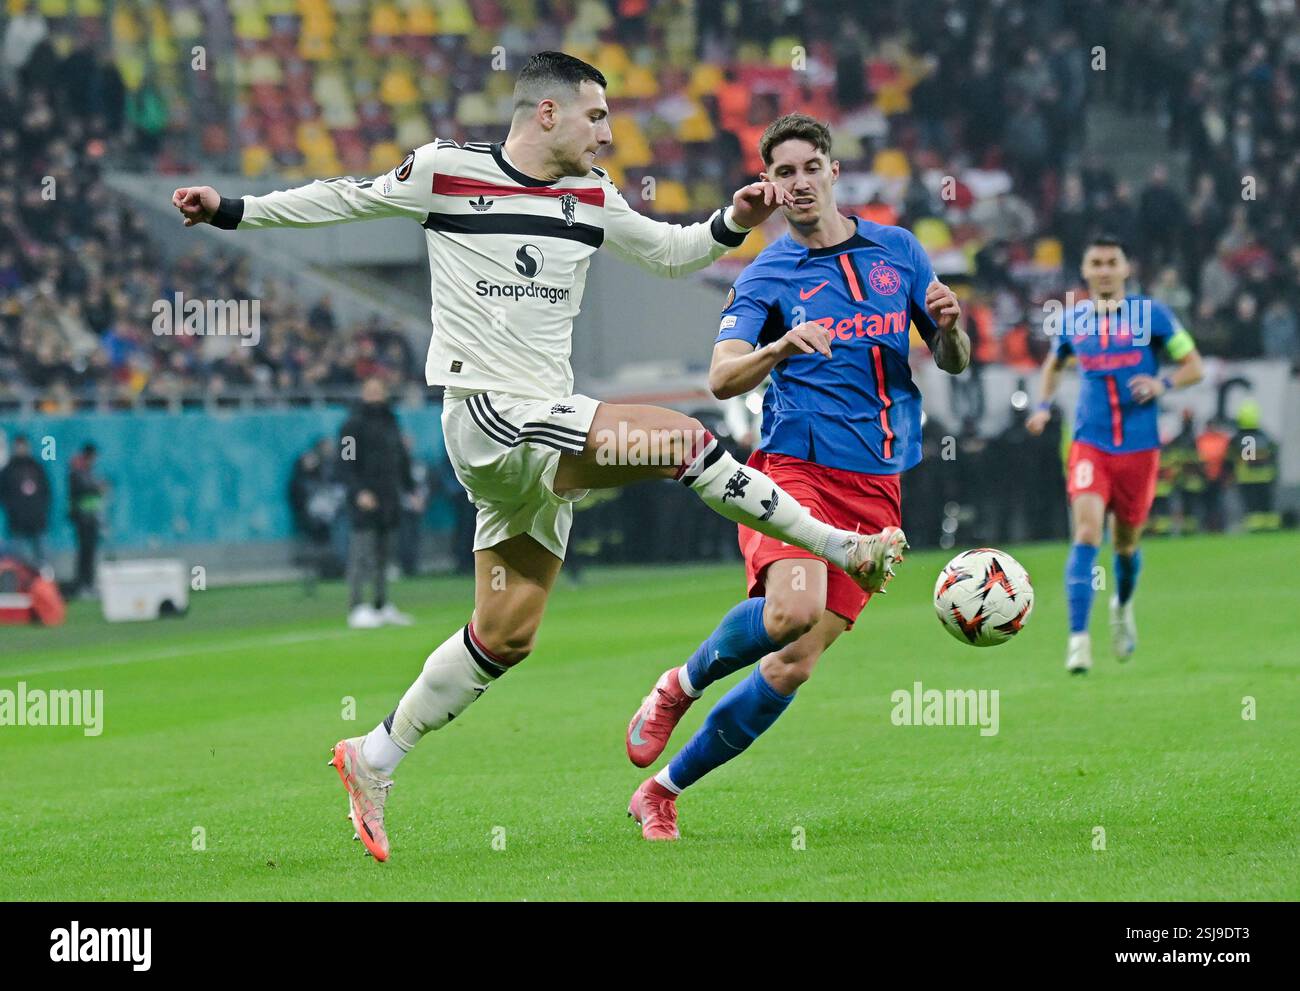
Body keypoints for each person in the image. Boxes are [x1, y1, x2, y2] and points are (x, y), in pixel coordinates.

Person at [171, 52, 901, 862]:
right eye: (597, 116)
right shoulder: (446, 171)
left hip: (543, 432)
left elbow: (667, 252)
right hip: (488, 411)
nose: (609, 132)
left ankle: (374, 755)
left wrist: (731, 220)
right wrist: (230, 208)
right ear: (546, 112)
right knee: (685, 441)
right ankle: (841, 545)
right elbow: (342, 199)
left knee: (506, 633)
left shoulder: (589, 196)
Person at [621, 113, 967, 839]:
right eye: (785, 173)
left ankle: (663, 788)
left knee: (793, 664)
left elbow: (952, 357)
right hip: (792, 470)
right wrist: (778, 346)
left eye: (811, 166)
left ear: (834, 171)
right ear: (770, 186)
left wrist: (952, 327)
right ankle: (678, 685)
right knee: (792, 611)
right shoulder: (767, 272)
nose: (800, 182)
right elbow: (720, 377)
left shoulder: (898, 252)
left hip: (877, 487)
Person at [1027, 236, 1204, 673]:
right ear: (1085, 272)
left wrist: (1163, 384)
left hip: (1140, 449)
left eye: (1112, 262)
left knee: (1125, 546)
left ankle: (1122, 607)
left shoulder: (1152, 316)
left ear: (1126, 268)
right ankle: (1078, 640)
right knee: (1087, 533)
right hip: (1090, 442)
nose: (1104, 270)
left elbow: (1194, 365)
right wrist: (1042, 406)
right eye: (1096, 263)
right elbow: (1053, 364)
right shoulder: (1072, 321)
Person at [337, 377, 415, 628]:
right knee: (361, 554)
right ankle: (356, 607)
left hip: (389, 498)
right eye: (369, 390)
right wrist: (358, 492)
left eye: (378, 390)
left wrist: (410, 488)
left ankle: (381, 605)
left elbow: (401, 458)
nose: (374, 395)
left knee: (384, 556)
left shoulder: (392, 421)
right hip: (364, 499)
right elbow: (345, 463)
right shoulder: (351, 425)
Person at [0, 434, 51, 564]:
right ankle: (19, 583)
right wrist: (13, 511)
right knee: (17, 560)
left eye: (24, 446)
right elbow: (4, 494)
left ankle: (43, 582)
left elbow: (46, 492)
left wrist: (41, 510)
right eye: (19, 446)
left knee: (42, 558)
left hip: (37, 520)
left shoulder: (36, 467)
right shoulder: (8, 470)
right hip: (17, 523)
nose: (21, 449)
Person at [67, 443, 105, 598]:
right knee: (85, 553)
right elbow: (81, 488)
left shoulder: (86, 471)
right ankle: (83, 585)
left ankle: (88, 583)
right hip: (83, 519)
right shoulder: (78, 471)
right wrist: (97, 488)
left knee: (89, 553)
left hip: (91, 517)